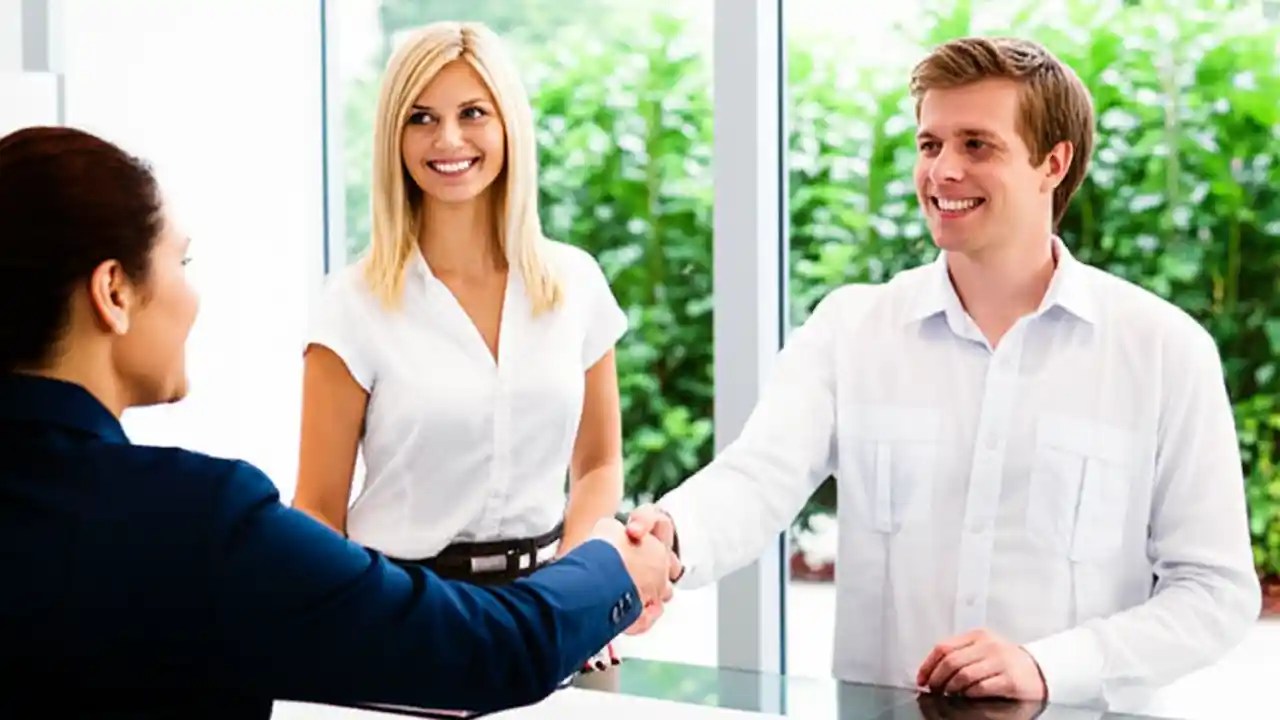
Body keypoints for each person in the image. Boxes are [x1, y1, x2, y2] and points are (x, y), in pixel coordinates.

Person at [626, 36, 1261, 712]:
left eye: (976, 145)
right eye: (930, 145)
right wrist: (669, 537)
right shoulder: (851, 328)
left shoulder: (1164, 350)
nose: (943, 171)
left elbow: (1215, 593)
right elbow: (756, 480)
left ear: (1053, 162)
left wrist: (1047, 667)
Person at [0, 125, 674, 719]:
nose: (192, 294)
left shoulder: (572, 283)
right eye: (182, 261)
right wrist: (615, 566)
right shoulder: (198, 523)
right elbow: (491, 649)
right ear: (113, 291)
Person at [292, 21, 638, 674]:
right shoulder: (352, 304)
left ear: (507, 125)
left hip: (548, 610)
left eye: (472, 113)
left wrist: (579, 594)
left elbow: (598, 465)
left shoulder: (575, 283)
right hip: (402, 613)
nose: (448, 140)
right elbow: (315, 509)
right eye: (421, 117)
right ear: (394, 137)